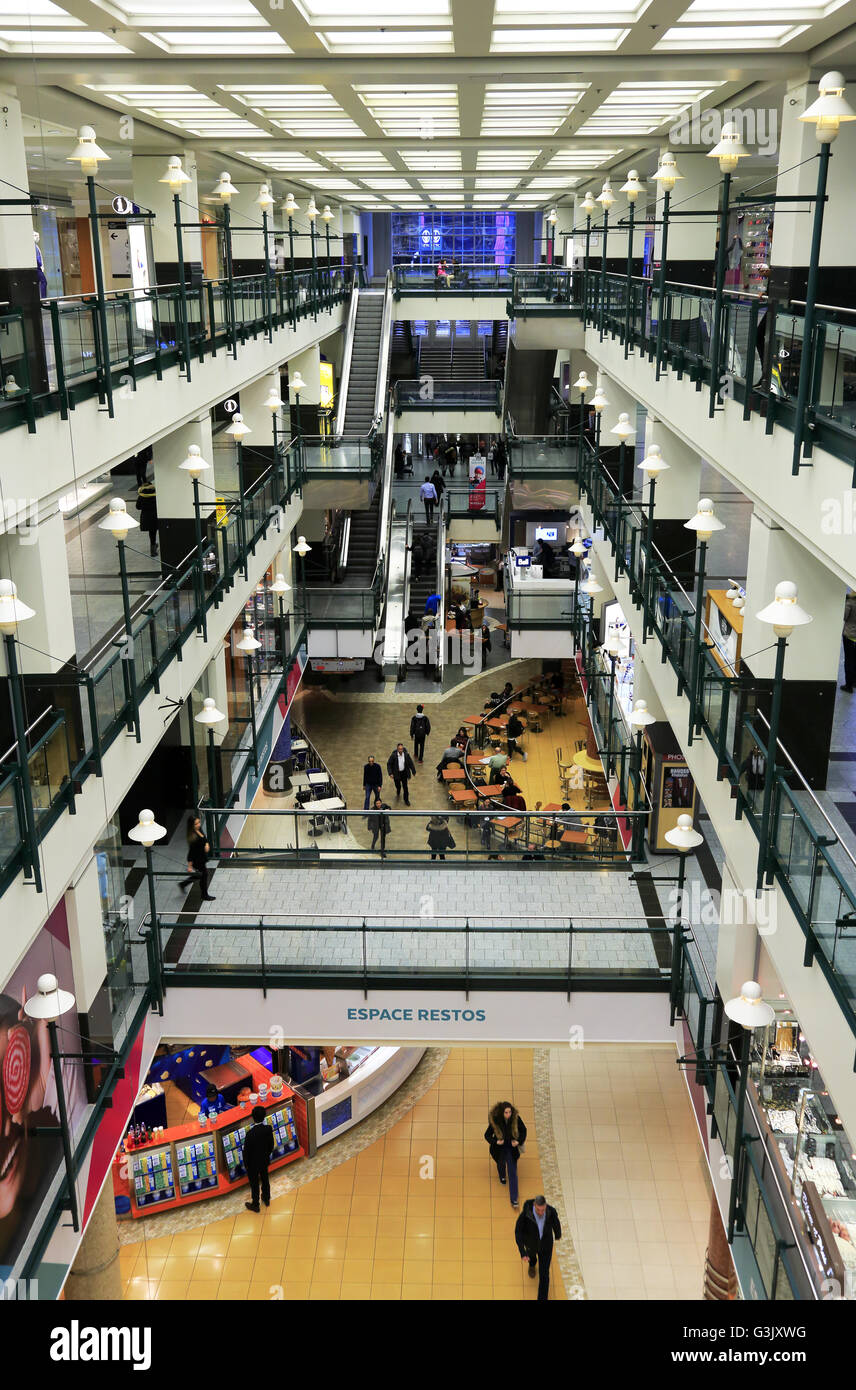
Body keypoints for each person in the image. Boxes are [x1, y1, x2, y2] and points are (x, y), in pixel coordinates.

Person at [515, 1194, 562, 1301]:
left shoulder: (551, 1211)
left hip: (546, 1246)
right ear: (534, 1205)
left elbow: (556, 1222)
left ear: (545, 1206)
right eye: (538, 1210)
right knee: (532, 1257)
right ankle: (532, 1265)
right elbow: (518, 1232)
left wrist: (558, 1233)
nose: (541, 1213)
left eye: (543, 1210)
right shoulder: (526, 1214)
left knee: (544, 1274)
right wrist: (522, 1251)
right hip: (531, 1244)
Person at [484, 1100, 527, 1209]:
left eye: (510, 1112)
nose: (508, 1115)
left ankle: (514, 1199)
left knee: (513, 1172)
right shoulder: (496, 1121)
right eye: (506, 1113)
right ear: (501, 1113)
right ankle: (502, 1176)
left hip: (511, 1149)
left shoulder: (516, 1119)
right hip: (499, 1149)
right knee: (501, 1164)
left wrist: (518, 1141)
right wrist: (496, 1142)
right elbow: (487, 1135)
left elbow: (524, 1131)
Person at [242, 1104, 274, 1212]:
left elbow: (246, 1152)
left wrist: (246, 1164)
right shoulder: (268, 1129)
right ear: (264, 1116)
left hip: (253, 1164)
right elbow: (271, 1145)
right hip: (264, 1160)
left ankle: (255, 1204)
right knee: (265, 1179)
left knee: (254, 1183)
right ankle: (266, 1197)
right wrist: (266, 1154)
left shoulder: (250, 1134)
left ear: (253, 1117)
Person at [178, 815, 215, 900]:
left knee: (199, 875)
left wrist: (206, 844)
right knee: (204, 876)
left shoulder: (199, 829)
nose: (198, 824)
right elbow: (191, 853)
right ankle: (204, 895)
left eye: (199, 822)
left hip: (202, 857)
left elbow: (204, 838)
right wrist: (190, 866)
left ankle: (183, 884)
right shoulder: (193, 838)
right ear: (192, 825)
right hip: (197, 860)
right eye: (196, 824)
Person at [135, 479, 158, 558]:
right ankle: (156, 547)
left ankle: (153, 549)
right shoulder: (156, 495)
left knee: (152, 534)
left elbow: (138, 507)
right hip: (156, 516)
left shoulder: (141, 496)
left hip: (147, 517)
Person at [842, 591, 856, 693]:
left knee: (849, 661)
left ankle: (849, 686)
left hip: (850, 635)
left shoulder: (850, 603)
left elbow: (844, 617)